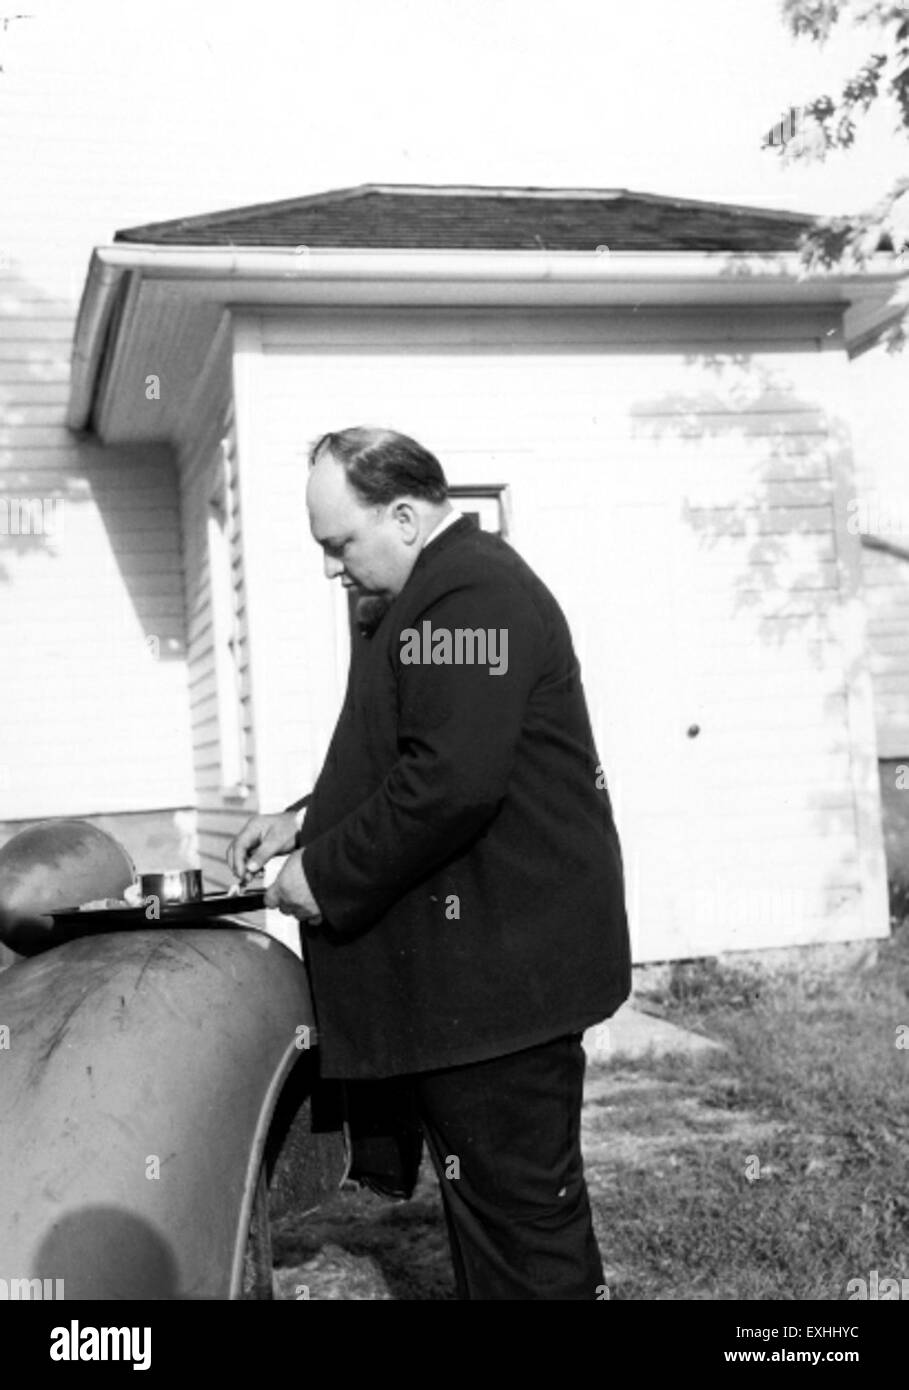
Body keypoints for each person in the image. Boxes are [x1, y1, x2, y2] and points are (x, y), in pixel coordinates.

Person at [228, 426, 631, 1300]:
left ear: (404, 516)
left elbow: (450, 784)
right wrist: (304, 823)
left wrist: (323, 878)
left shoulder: (471, 601)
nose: (333, 567)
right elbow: (416, 756)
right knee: (500, 1222)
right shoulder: (438, 594)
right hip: (482, 988)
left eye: (339, 544)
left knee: (524, 1229)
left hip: (501, 988)